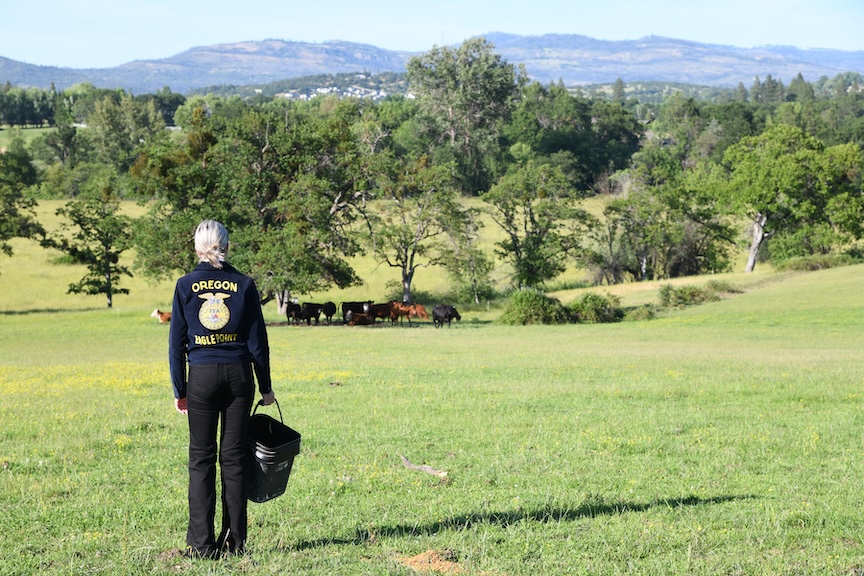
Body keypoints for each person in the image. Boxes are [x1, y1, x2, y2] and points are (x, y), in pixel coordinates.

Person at [169, 219, 275, 558]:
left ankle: (201, 546)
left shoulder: (185, 285)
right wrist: (266, 388)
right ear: (226, 245)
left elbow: (176, 344)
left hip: (200, 377)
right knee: (233, 460)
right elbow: (258, 343)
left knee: (201, 459)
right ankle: (235, 544)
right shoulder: (244, 284)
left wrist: (179, 389)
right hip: (238, 376)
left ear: (197, 247)